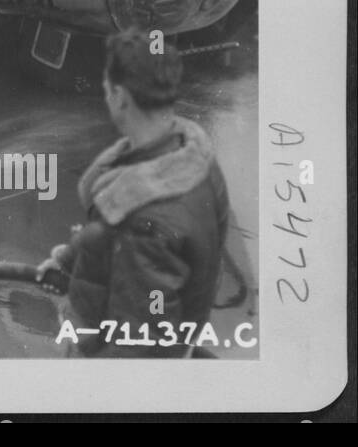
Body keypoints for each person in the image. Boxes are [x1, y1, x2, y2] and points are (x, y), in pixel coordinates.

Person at [38, 29, 229, 357]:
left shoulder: (145, 225)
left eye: (106, 86)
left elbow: (142, 348)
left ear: (121, 97)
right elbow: (114, 236)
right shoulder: (194, 158)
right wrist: (70, 259)